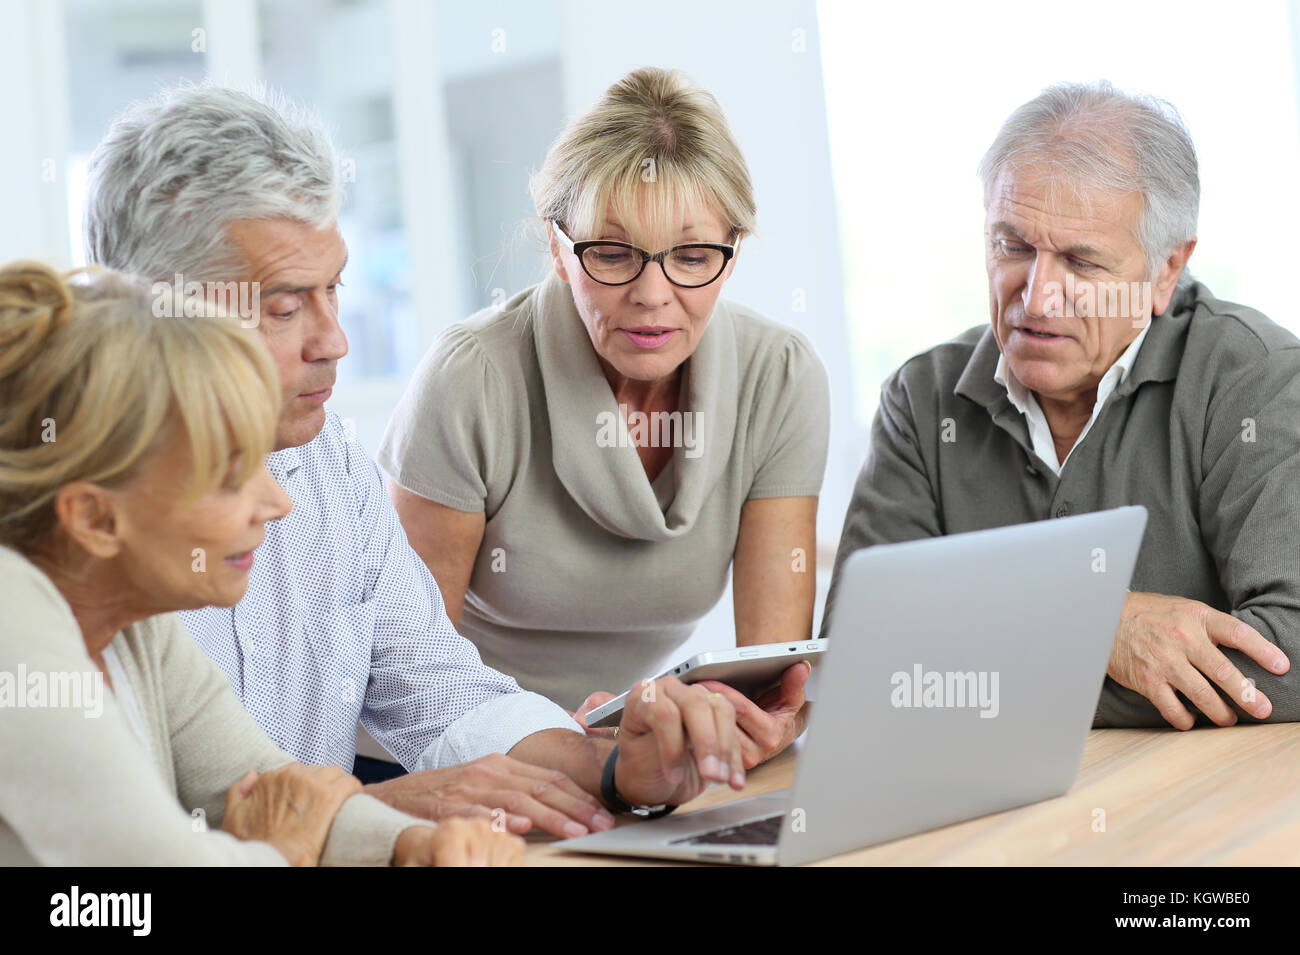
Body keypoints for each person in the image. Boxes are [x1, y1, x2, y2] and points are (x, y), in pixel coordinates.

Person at [85, 82, 747, 833]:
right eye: (283, 307)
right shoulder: (73, 543)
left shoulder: (330, 461)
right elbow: (114, 855)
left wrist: (607, 768)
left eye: (334, 290)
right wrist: (360, 814)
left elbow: (438, 689)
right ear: (153, 312)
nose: (333, 341)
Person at [378, 67, 830, 769]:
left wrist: (756, 723)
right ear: (559, 249)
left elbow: (774, 677)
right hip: (441, 755)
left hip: (620, 757)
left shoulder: (780, 378)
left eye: (691, 256)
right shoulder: (472, 377)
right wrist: (556, 742)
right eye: (613, 254)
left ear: (733, 255)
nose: (653, 295)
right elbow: (406, 679)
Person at [0, 261, 518, 865]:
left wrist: (417, 848)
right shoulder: (14, 626)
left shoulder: (129, 619)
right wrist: (284, 847)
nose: (278, 502)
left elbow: (275, 788)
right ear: (94, 519)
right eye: (229, 478)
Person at [823, 81, 1300, 730]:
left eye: (1080, 261)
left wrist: (985, 668)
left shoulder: (1254, 377)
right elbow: (858, 653)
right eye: (1013, 246)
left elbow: (1288, 654)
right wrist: (1089, 621)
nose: (1038, 297)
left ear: (1166, 270)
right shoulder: (922, 397)